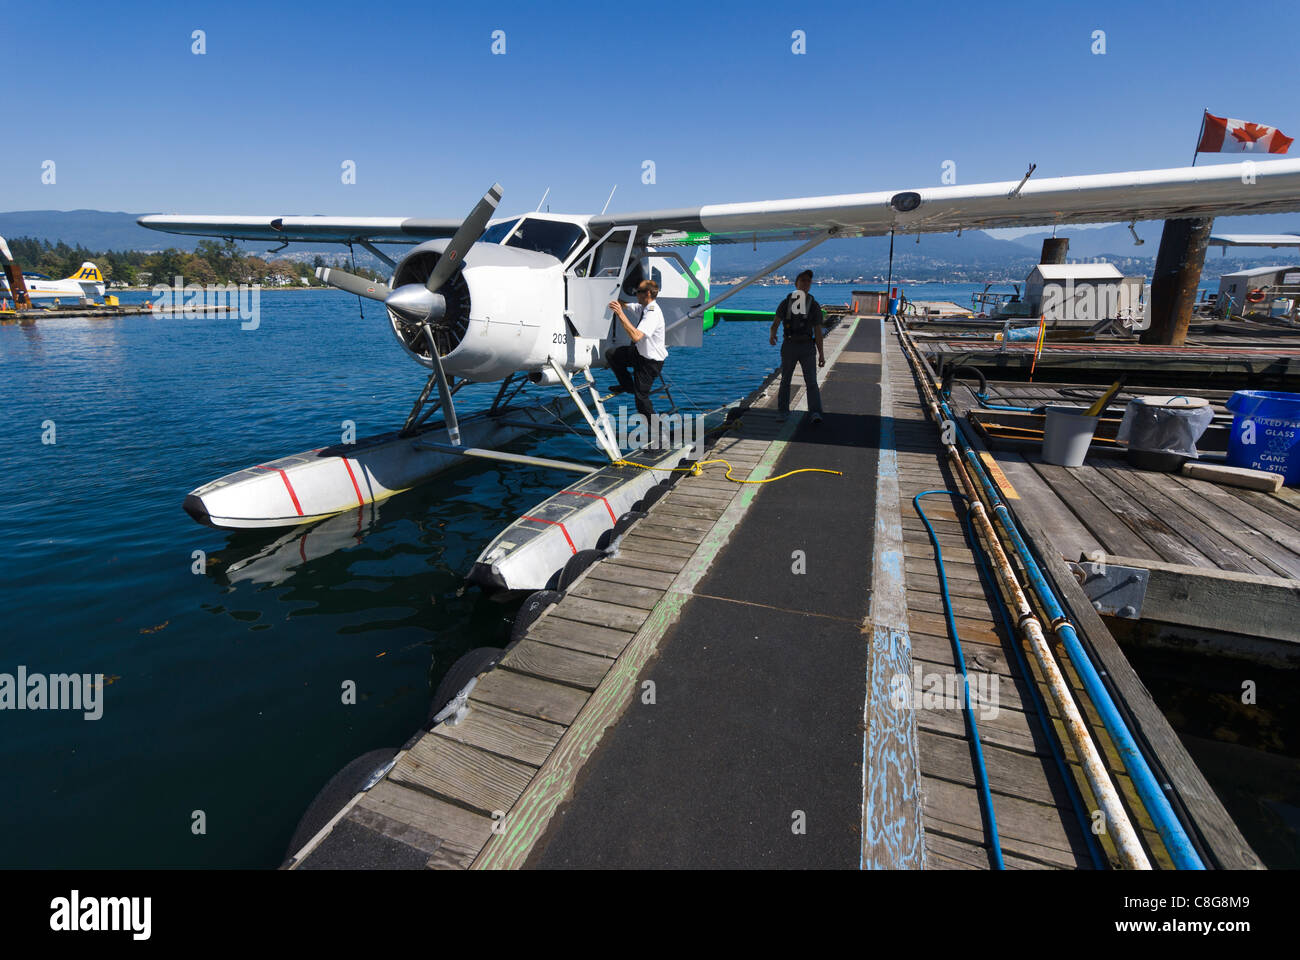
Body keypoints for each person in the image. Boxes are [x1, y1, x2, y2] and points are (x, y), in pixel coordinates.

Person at [606, 279, 667, 421]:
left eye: (637, 292)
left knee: (641, 400)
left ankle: (658, 432)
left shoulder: (653, 313)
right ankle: (627, 386)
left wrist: (620, 314)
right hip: (639, 354)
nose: (635, 294)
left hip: (650, 363)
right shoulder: (644, 307)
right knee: (612, 355)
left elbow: (636, 336)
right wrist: (611, 298)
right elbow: (627, 305)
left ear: (647, 293)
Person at [769, 269, 825, 423]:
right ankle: (783, 412)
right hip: (789, 346)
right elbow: (775, 323)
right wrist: (772, 334)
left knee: (811, 381)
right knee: (785, 380)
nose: (805, 283)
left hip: (807, 347)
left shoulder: (813, 305)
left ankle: (815, 412)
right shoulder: (786, 303)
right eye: (803, 280)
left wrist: (821, 353)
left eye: (808, 281)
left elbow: (818, 331)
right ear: (796, 283)